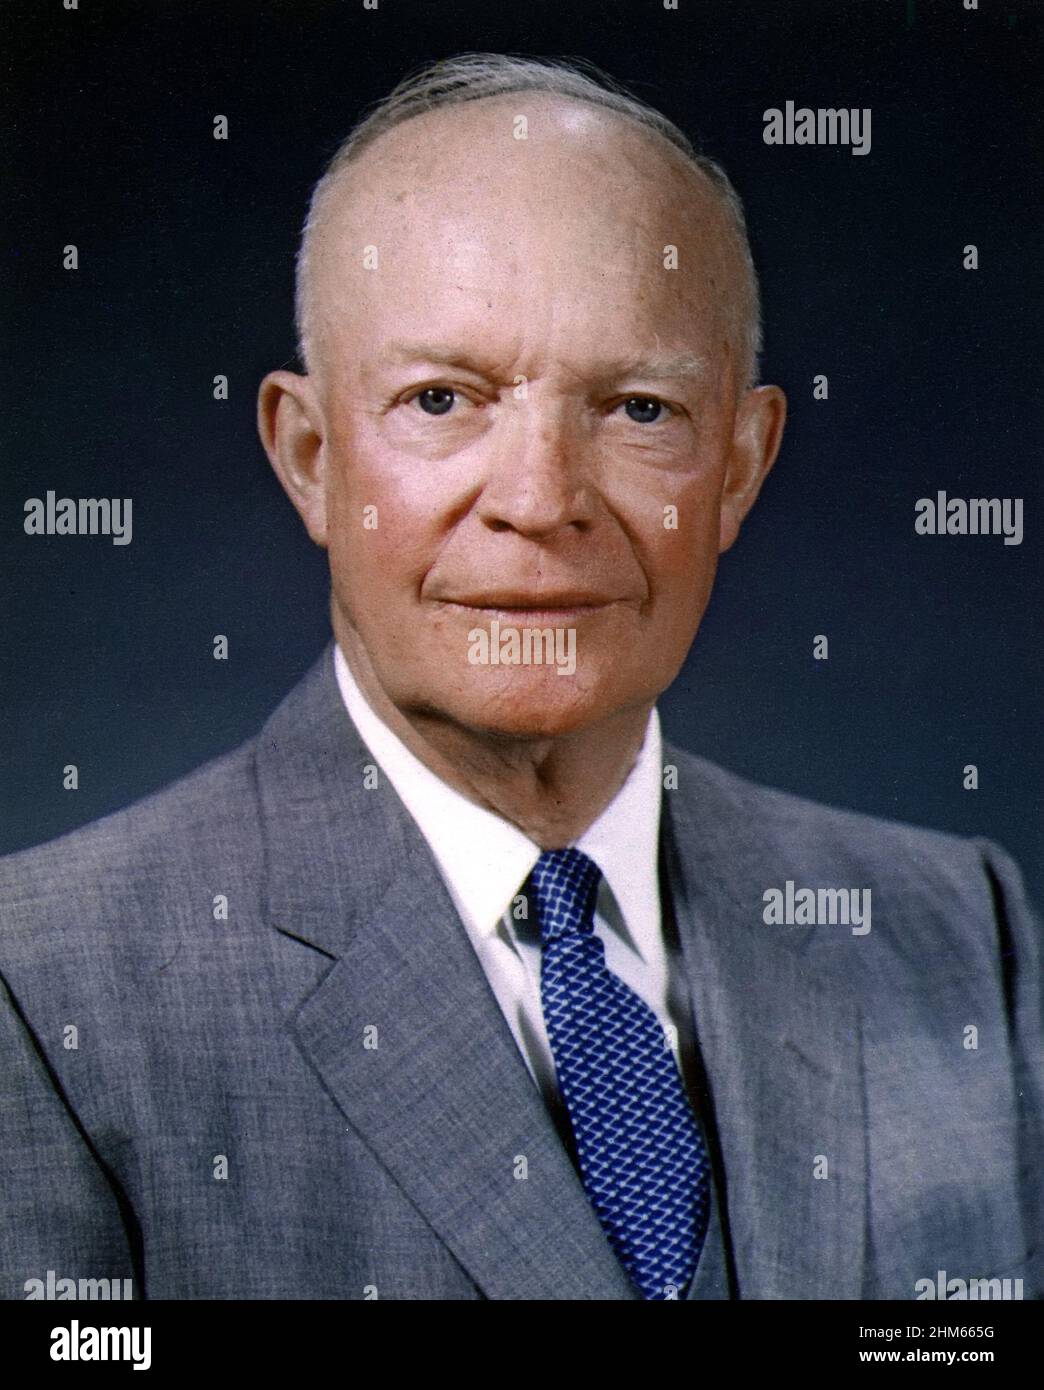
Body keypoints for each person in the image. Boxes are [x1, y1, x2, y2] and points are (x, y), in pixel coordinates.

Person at [1, 53, 1040, 1302]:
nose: (541, 503)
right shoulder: (45, 988)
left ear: (744, 465)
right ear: (311, 457)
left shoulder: (955, 930)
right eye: (443, 398)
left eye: (641, 409)